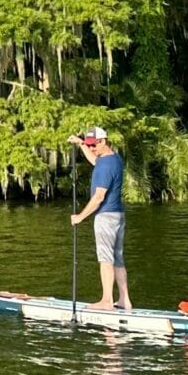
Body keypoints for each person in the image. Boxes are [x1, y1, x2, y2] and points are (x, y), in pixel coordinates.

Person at [68, 127, 130, 311]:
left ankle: (107, 301)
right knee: (117, 259)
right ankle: (124, 300)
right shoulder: (113, 159)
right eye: (89, 145)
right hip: (118, 215)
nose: (92, 148)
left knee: (105, 259)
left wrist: (80, 217)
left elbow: (99, 197)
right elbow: (95, 160)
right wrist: (81, 144)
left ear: (103, 141)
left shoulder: (105, 165)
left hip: (106, 216)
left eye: (94, 145)